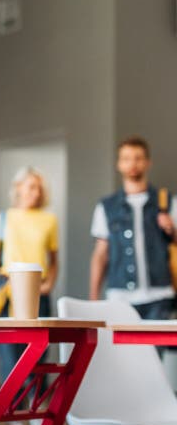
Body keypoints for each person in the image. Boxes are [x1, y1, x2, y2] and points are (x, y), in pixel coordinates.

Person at [0, 166, 58, 425]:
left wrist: (50, 283)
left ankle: (35, 410)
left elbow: (54, 258)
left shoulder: (49, 220)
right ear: (17, 189)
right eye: (28, 187)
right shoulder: (1, 219)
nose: (32, 192)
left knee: (38, 355)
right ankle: (14, 420)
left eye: (37, 187)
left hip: (38, 293)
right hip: (6, 293)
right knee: (9, 359)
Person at [90, 136, 177, 321]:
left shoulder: (168, 202)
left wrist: (172, 230)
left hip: (159, 296)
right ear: (119, 164)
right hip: (119, 297)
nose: (133, 164)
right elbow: (100, 254)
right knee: (123, 350)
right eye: (126, 158)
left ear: (148, 163)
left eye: (138, 158)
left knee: (155, 351)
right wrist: (94, 298)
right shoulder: (106, 206)